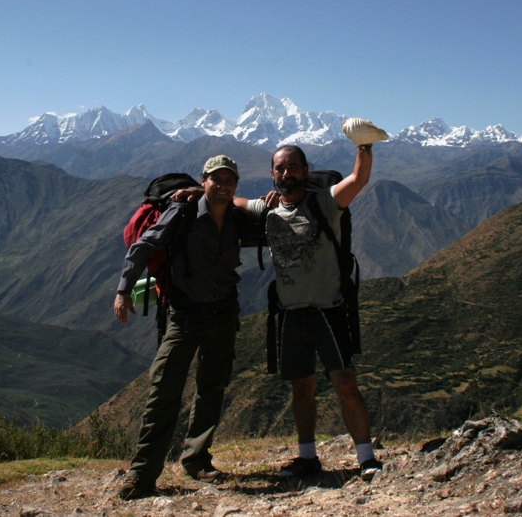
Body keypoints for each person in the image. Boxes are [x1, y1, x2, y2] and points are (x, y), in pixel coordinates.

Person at [113, 155, 257, 500]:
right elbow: (144, 244)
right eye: (216, 180)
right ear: (203, 181)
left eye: (229, 181)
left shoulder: (237, 218)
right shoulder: (183, 212)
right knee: (163, 389)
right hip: (184, 315)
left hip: (223, 314)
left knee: (213, 387)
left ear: (235, 185)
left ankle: (197, 459)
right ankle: (142, 473)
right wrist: (123, 289)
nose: (223, 187)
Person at [245, 143, 383, 480]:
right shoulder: (268, 209)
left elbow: (358, 179)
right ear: (272, 174)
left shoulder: (324, 202)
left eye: (293, 167)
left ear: (305, 171)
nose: (286, 173)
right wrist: (193, 191)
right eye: (280, 168)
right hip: (291, 314)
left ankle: (366, 458)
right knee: (301, 389)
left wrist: (363, 144)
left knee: (345, 383)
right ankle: (307, 457)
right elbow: (228, 201)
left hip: (327, 310)